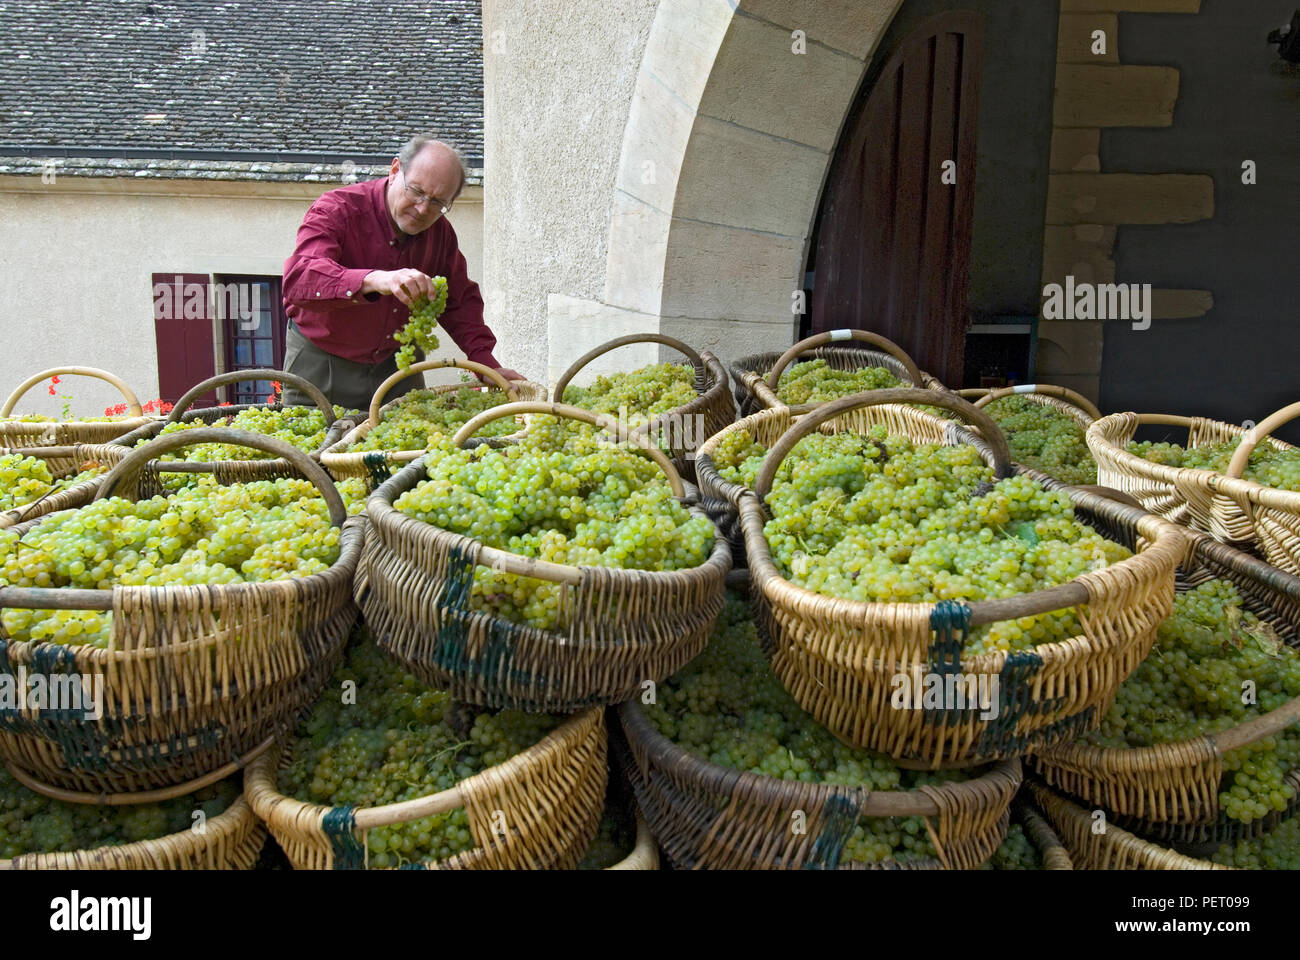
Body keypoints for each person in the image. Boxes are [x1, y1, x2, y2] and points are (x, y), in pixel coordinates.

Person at [280, 135, 523, 412]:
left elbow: (459, 301)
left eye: (437, 202)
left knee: (407, 450)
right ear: (395, 170)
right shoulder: (338, 210)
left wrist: (485, 364)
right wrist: (374, 279)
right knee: (313, 454)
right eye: (416, 192)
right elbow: (300, 279)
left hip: (397, 369)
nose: (422, 209)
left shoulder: (440, 233)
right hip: (322, 366)